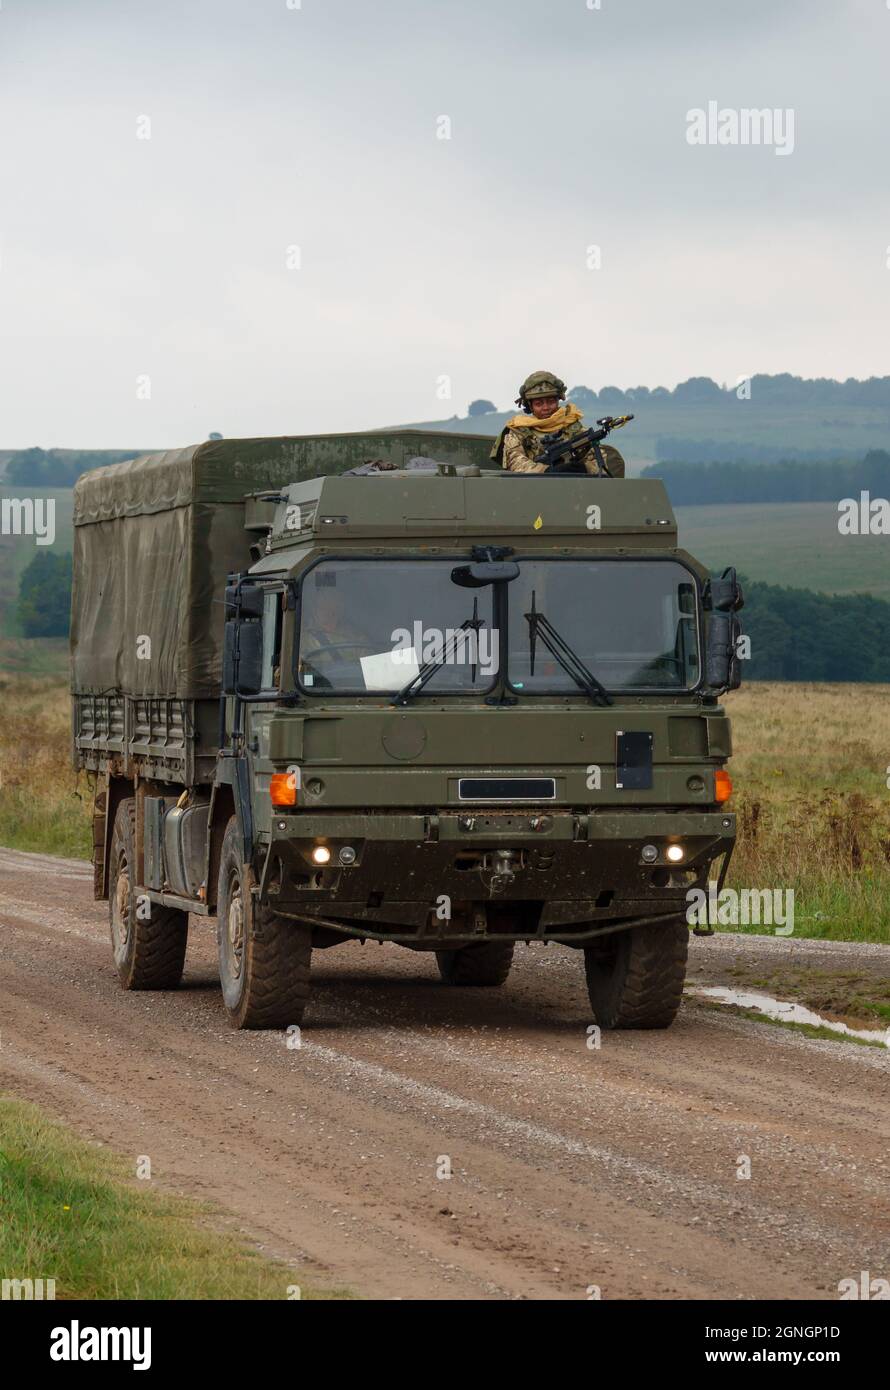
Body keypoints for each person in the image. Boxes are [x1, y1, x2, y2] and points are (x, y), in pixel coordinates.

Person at [491, 370, 625, 476]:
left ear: (558, 400)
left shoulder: (573, 428)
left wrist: (583, 468)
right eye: (539, 403)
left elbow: (601, 463)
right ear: (530, 406)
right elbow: (516, 464)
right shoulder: (518, 431)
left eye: (551, 401)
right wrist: (547, 471)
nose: (546, 407)